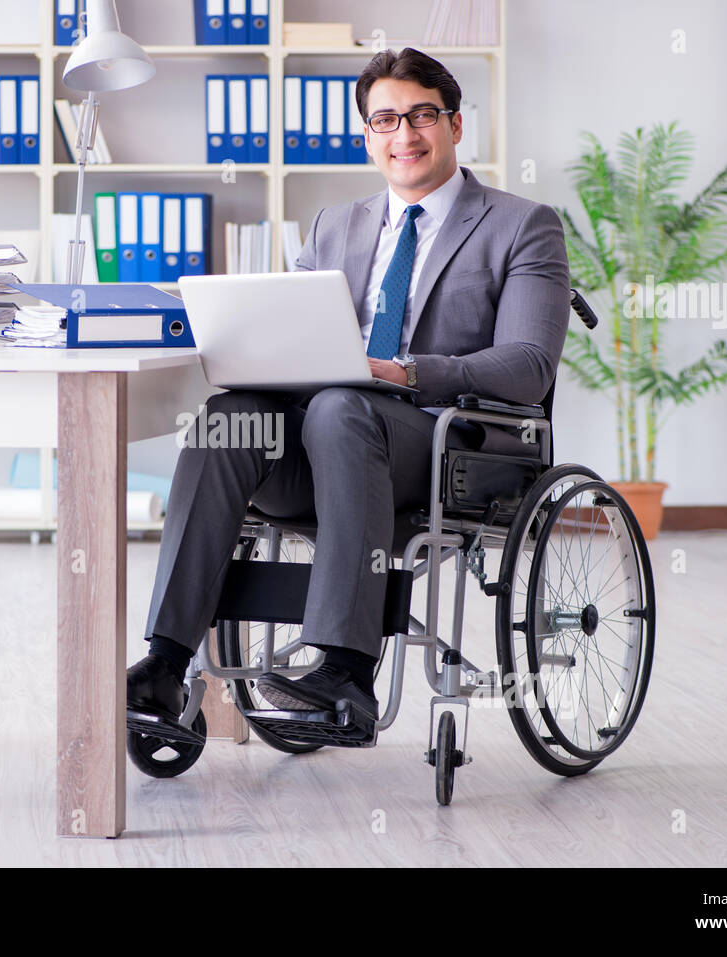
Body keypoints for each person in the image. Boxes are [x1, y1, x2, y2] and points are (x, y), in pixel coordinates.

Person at [126, 47, 571, 742]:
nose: (405, 134)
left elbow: (528, 365)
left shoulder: (521, 224)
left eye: (423, 115)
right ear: (366, 137)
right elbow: (291, 328)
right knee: (227, 421)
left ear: (456, 124)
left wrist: (409, 370)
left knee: (343, 407)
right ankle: (165, 661)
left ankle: (344, 671)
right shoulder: (335, 225)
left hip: (440, 442)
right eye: (386, 120)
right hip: (322, 442)